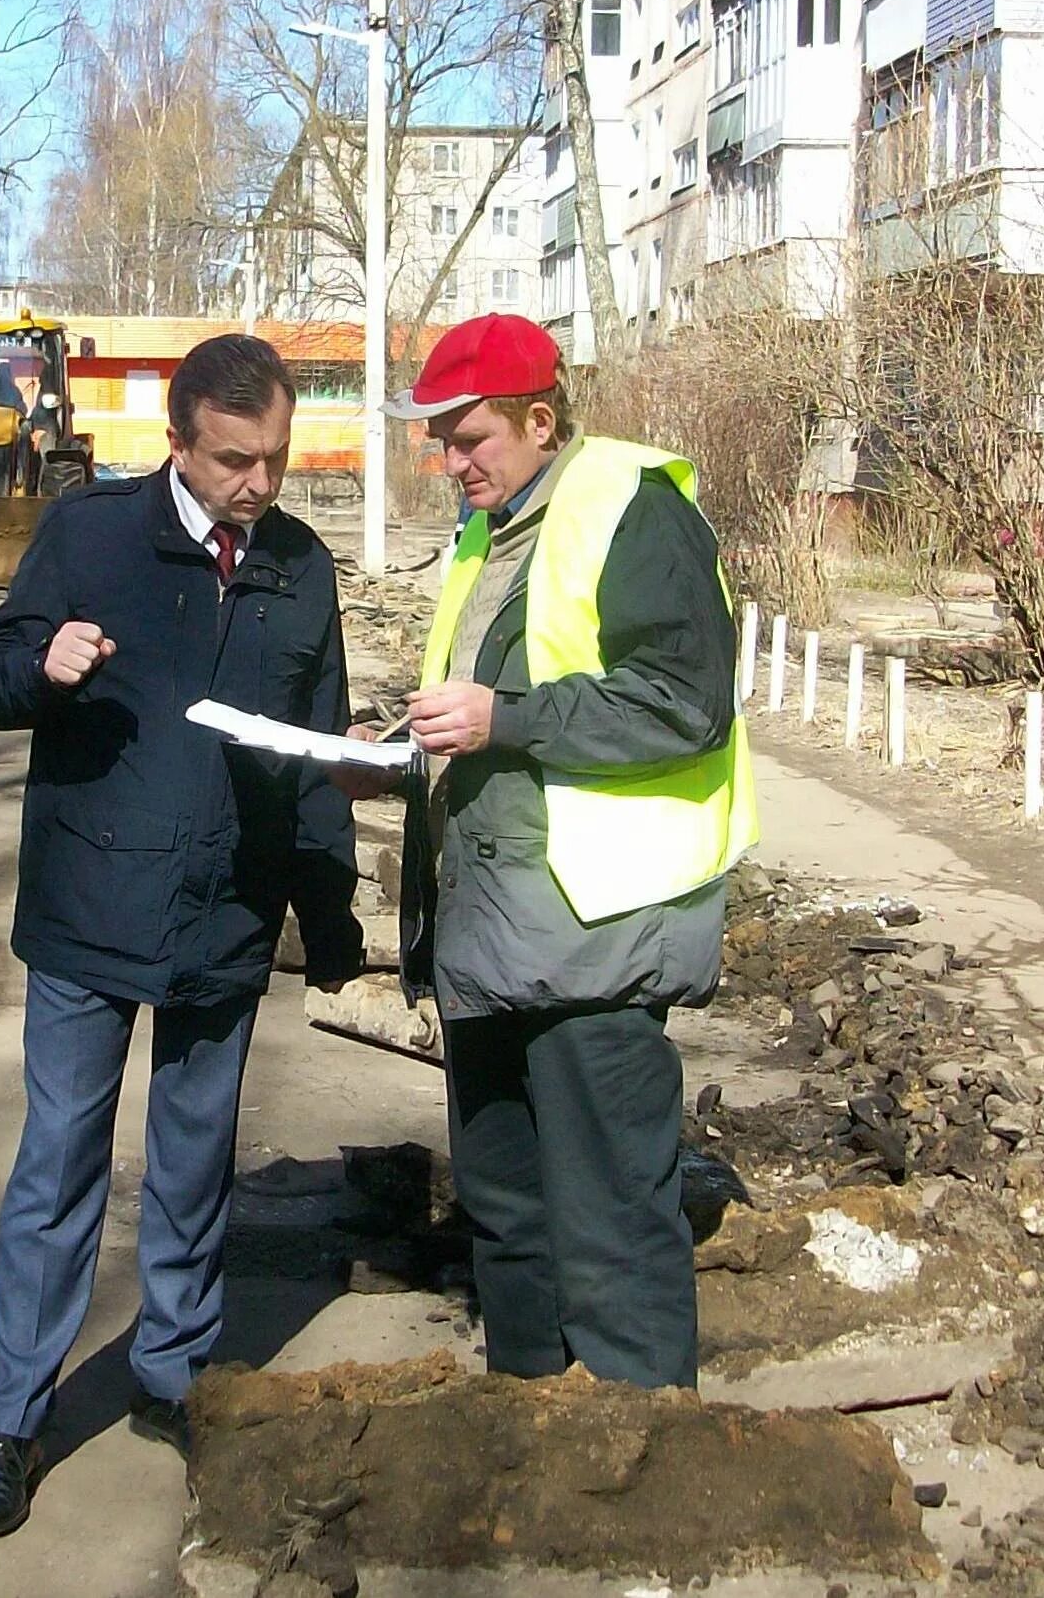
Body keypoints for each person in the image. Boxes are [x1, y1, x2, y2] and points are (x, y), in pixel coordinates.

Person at [0, 333, 365, 1539]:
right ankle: (14, 1420)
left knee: (191, 1167)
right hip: (88, 909)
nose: (259, 483)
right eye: (235, 460)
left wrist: (329, 914)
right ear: (177, 442)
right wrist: (43, 665)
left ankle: (173, 1375)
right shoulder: (91, 535)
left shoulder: (299, 566)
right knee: (60, 1166)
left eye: (275, 457)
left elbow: (317, 757)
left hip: (225, 914)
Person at [368, 312, 756, 1390]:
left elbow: (685, 704)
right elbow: (487, 708)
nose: (451, 462)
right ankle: (527, 1442)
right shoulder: (490, 534)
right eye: (440, 440)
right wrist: (397, 757)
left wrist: (503, 719)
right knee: (508, 1222)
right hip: (493, 938)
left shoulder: (632, 507)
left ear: (540, 420)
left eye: (469, 437)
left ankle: (640, 1467)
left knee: (612, 1233)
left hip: (596, 943)